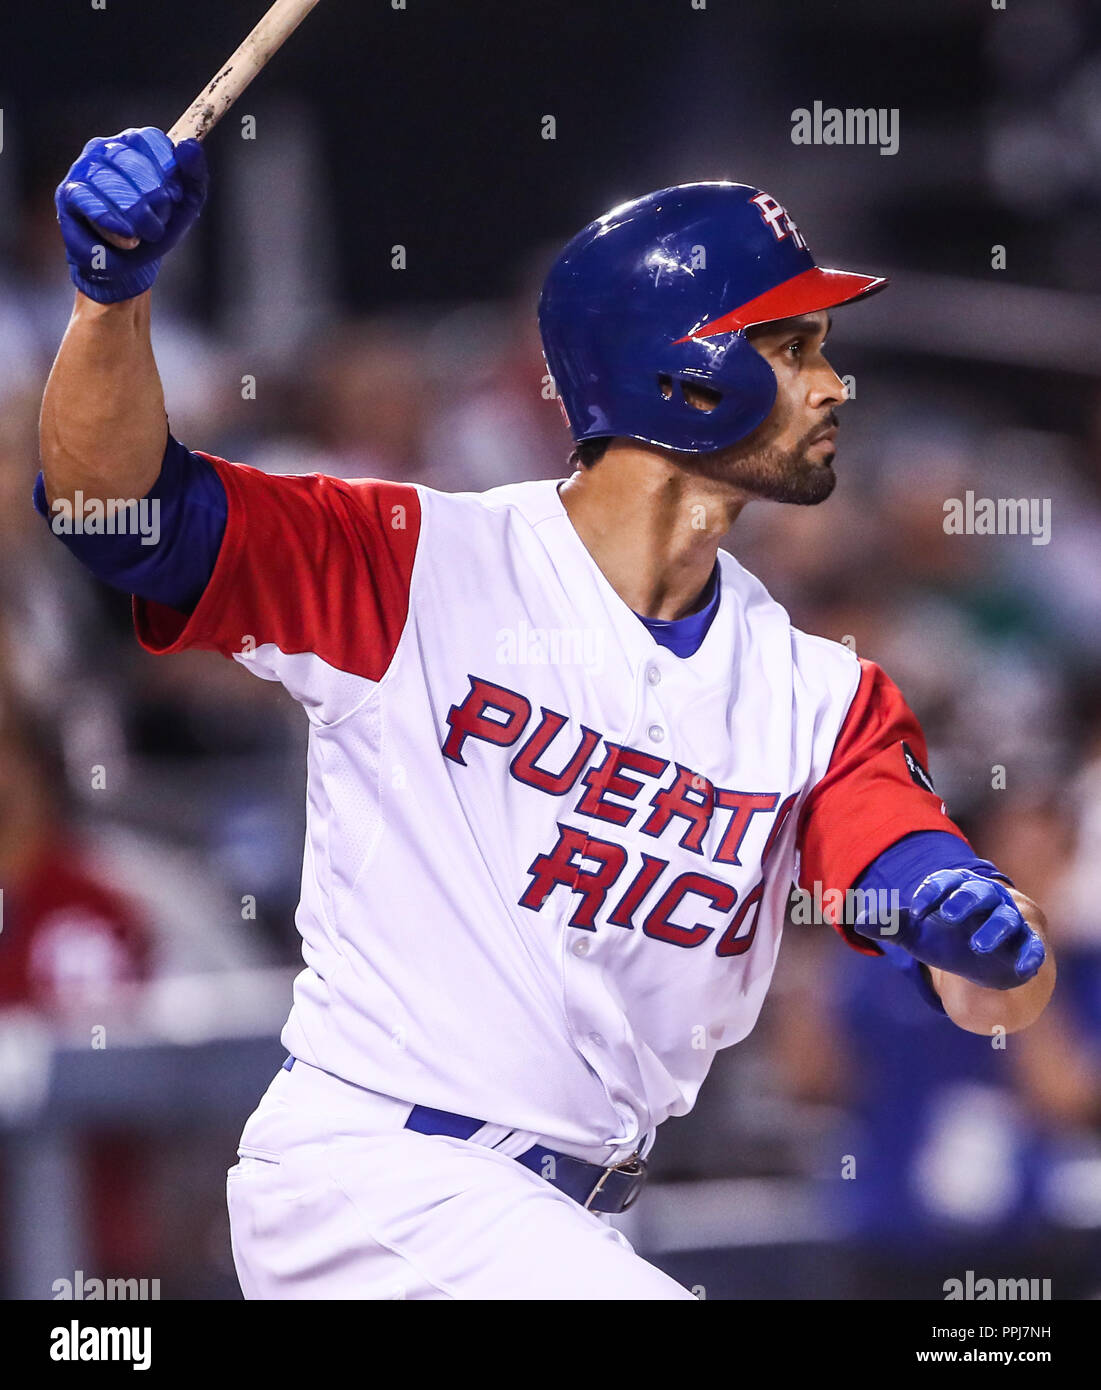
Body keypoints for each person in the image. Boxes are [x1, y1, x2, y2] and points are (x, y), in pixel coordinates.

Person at [38, 127, 1054, 1300]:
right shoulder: (418, 563)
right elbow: (120, 516)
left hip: (556, 1220)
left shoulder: (819, 698)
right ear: (683, 369)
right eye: (792, 345)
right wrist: (111, 302)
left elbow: (973, 964)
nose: (833, 384)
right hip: (379, 1179)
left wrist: (977, 925)